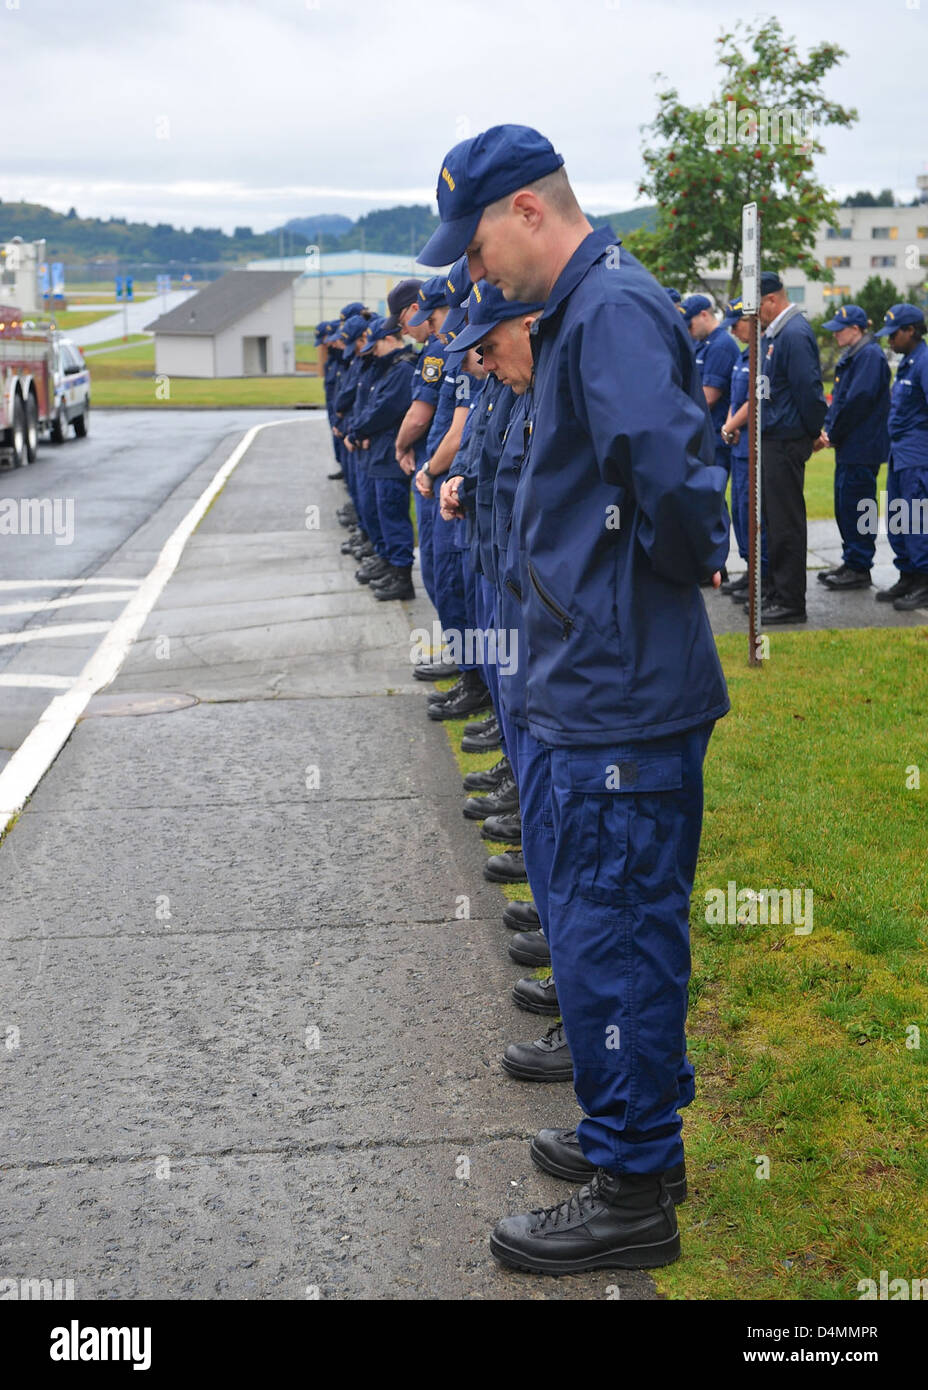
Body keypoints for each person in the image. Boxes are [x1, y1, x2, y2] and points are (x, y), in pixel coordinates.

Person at [420, 123, 730, 1276]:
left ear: (530, 212)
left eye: (481, 241)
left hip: (616, 696)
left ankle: (634, 1185)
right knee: (604, 933)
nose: (477, 270)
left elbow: (675, 481)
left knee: (612, 938)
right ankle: (631, 1139)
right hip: (591, 683)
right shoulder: (588, 307)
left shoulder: (604, 309)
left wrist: (630, 596)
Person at [725, 271, 826, 624]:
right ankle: (777, 591)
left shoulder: (794, 333)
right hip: (774, 438)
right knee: (772, 521)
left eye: (757, 309)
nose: (754, 318)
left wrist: (812, 431)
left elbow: (809, 390)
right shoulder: (778, 333)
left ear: (771, 300)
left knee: (786, 524)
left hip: (785, 440)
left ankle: (790, 601)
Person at [813, 304, 890, 591]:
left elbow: (858, 400)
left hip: (862, 445)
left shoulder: (868, 355)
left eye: (840, 329)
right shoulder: (857, 354)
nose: (835, 335)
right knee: (846, 504)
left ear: (856, 329)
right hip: (852, 445)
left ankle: (859, 566)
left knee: (857, 505)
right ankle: (853, 560)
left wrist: (832, 433)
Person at [348, 315, 419, 601]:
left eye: (376, 344)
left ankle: (401, 575)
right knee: (380, 511)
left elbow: (384, 409)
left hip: (390, 455)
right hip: (380, 452)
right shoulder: (387, 368)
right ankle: (390, 564)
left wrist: (357, 430)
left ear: (390, 339)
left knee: (392, 513)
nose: (372, 350)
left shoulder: (400, 370)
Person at [872, 303, 928, 610]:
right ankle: (908, 574)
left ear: (911, 331)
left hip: (918, 456)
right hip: (900, 453)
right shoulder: (909, 362)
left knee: (917, 519)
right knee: (897, 517)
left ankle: (924, 580)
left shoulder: (924, 363)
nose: (889, 341)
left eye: (894, 334)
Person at [720, 297, 769, 600]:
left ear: (751, 320)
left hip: (753, 447)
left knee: (753, 512)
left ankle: (761, 574)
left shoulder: (762, 354)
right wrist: (729, 423)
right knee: (740, 510)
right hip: (738, 446)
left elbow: (756, 400)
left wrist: (730, 426)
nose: (734, 332)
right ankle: (750, 569)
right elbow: (735, 399)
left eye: (736, 325)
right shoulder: (743, 355)